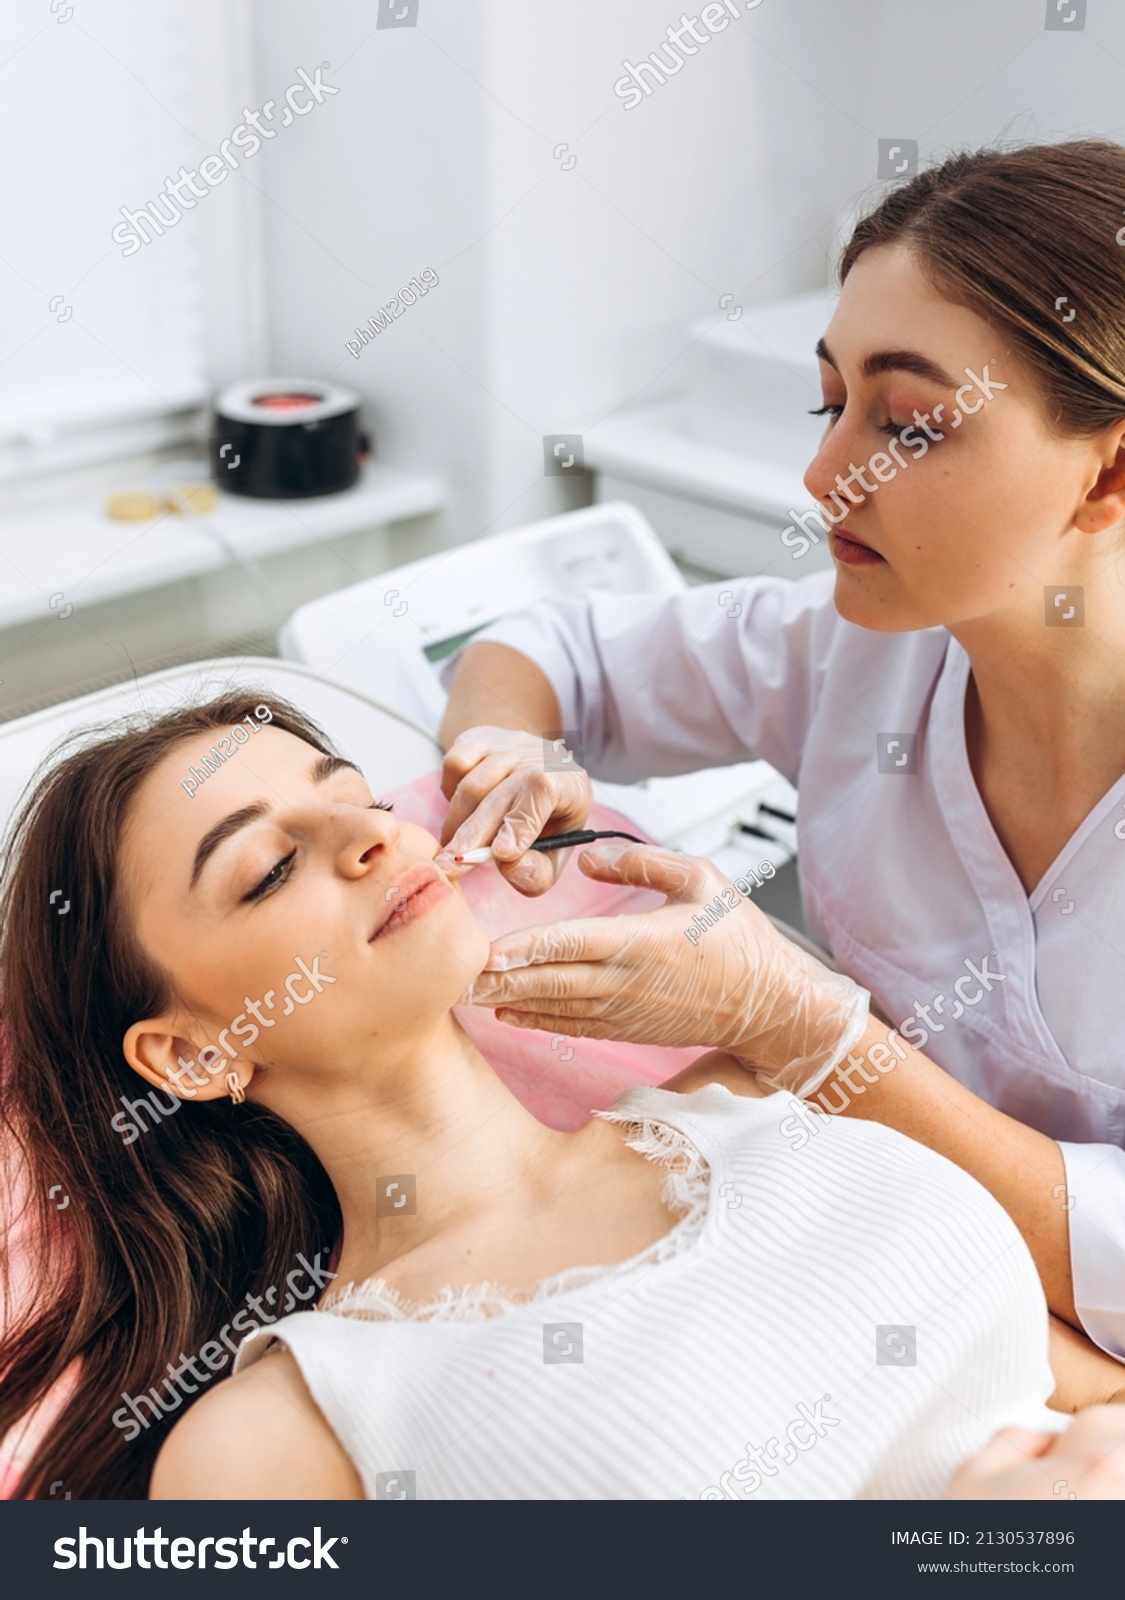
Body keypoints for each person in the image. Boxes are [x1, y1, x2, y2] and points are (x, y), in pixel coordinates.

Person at [0, 691, 1118, 1502]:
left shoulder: (753, 1086)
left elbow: (1083, 1381)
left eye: (350, 797)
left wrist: (797, 1014)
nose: (370, 834)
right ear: (194, 1056)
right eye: (269, 869)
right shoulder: (284, 1438)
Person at [436, 139, 1125, 1364]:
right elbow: (547, 649)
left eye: (909, 426)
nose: (823, 473)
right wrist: (502, 746)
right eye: (830, 402)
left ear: (1108, 470)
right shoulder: (860, 657)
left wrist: (805, 1027)